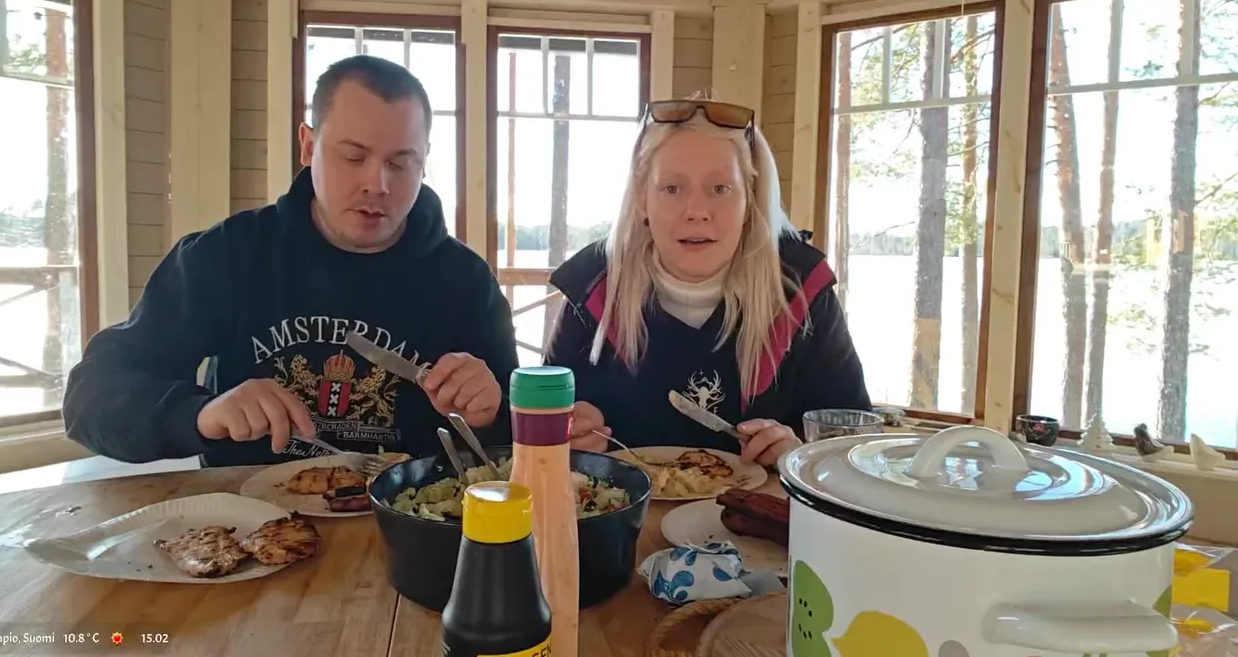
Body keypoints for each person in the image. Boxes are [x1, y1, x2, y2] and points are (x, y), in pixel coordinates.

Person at [63, 55, 518, 467]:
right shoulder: (230, 254)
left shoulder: (466, 282)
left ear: (424, 162)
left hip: (408, 516)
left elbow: (518, 440)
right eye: (353, 156)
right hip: (245, 519)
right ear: (308, 146)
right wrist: (201, 413)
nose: (376, 184)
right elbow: (89, 400)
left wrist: (491, 413)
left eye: (400, 163)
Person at [545, 99, 871, 467]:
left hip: (764, 505)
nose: (696, 211)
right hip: (622, 504)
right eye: (672, 188)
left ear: (749, 199)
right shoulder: (592, 287)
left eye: (720, 188)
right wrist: (567, 435)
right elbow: (536, 430)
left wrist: (800, 455)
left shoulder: (800, 289)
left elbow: (852, 447)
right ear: (642, 199)